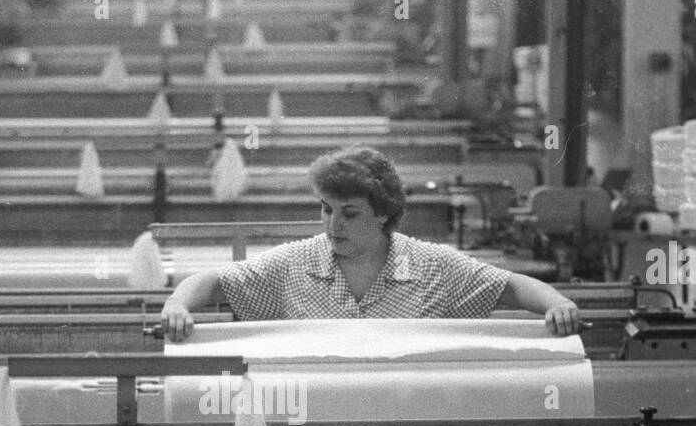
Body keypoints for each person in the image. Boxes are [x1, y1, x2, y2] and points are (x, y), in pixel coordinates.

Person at [161, 145, 580, 341]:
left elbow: (511, 286)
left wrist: (556, 304)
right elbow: (213, 282)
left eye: (349, 213)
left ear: (383, 213)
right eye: (326, 209)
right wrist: (178, 305)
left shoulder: (432, 267)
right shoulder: (292, 264)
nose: (332, 224)